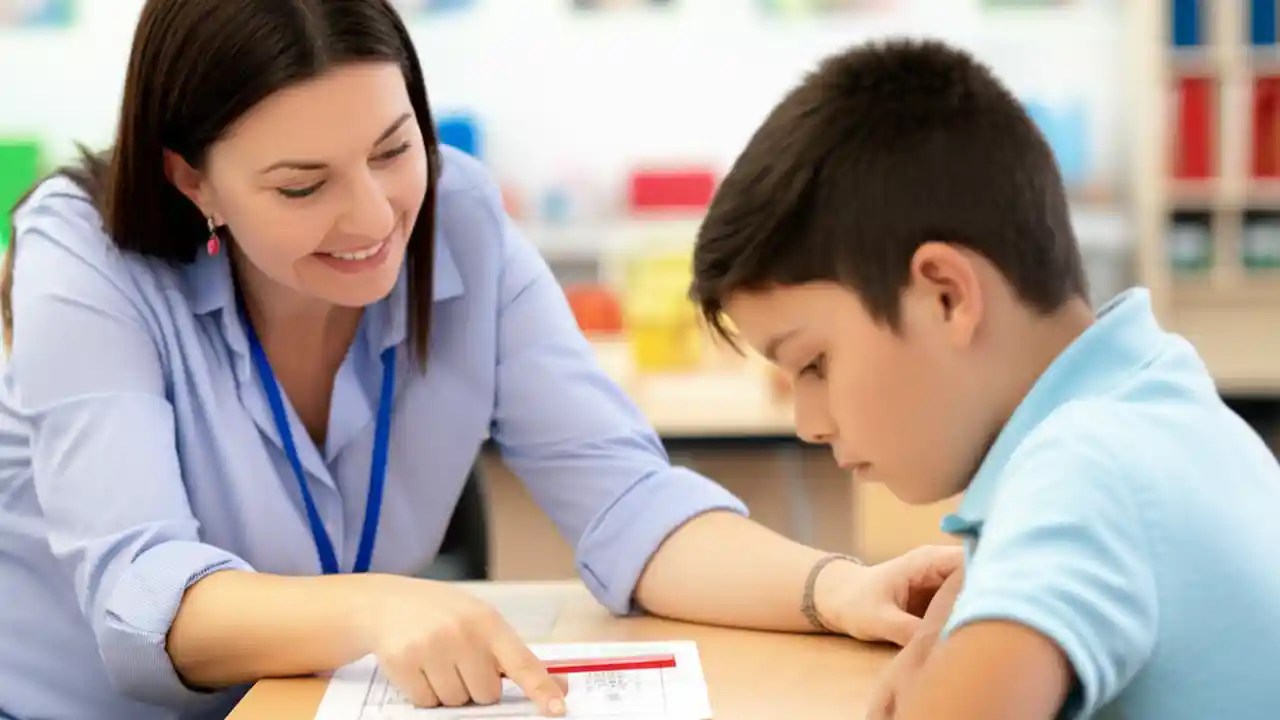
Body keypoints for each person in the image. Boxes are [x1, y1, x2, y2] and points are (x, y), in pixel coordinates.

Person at [0, 3, 965, 719]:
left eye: (393, 149)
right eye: (303, 186)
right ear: (190, 178)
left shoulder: (460, 217)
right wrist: (376, 606)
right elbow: (138, 599)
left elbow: (628, 502)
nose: (375, 220)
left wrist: (837, 589)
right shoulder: (84, 255)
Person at [689, 38, 1280, 720]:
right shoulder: (1155, 394)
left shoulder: (1082, 471)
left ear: (946, 295)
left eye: (814, 363)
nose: (810, 422)